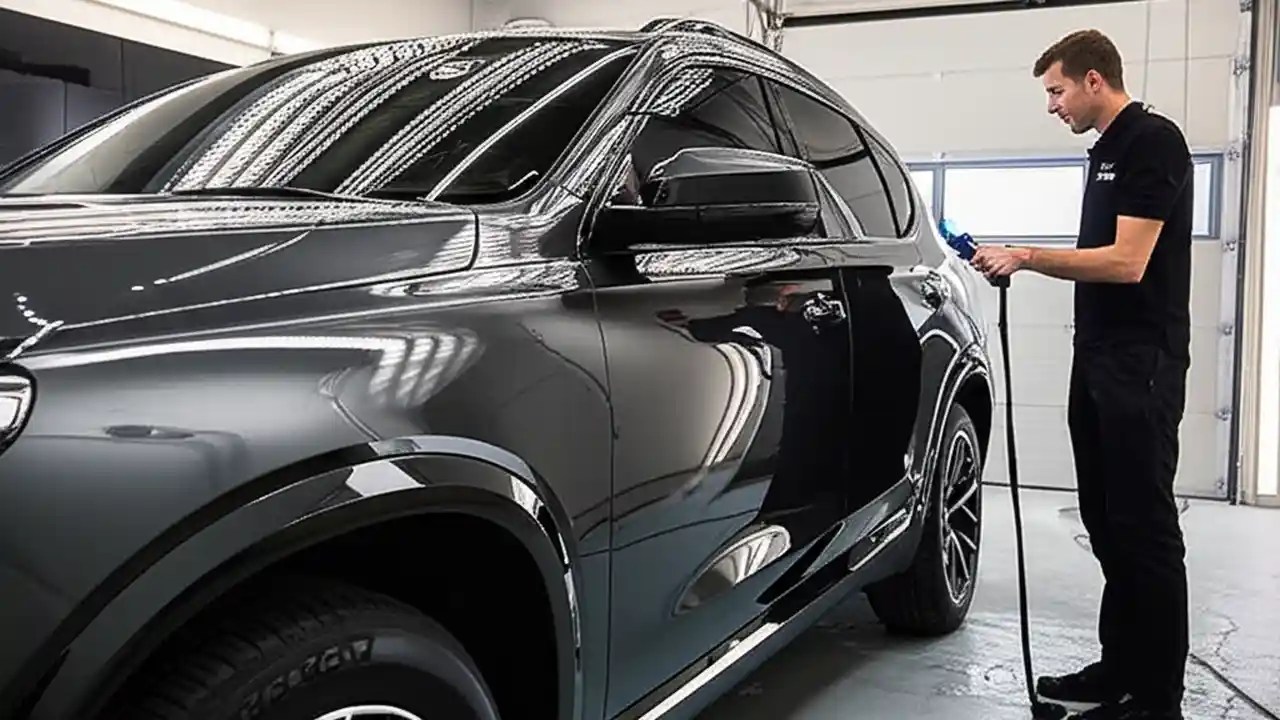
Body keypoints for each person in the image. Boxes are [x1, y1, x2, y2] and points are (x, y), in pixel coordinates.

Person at [971, 29, 1193, 720]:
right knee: (1104, 518)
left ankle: (1156, 700)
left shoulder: (1153, 141)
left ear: (1094, 80)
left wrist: (1028, 256)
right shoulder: (1106, 152)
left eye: (1056, 90)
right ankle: (1118, 668)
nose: (1052, 105)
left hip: (1141, 363)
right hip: (1097, 355)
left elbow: (1127, 262)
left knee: (1143, 526)